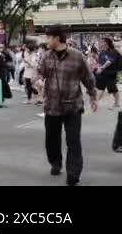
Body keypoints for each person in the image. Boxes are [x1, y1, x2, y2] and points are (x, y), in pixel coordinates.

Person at [37, 25, 98, 187]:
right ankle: (55, 163)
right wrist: (37, 82)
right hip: (51, 106)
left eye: (48, 37)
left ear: (57, 38)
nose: (46, 40)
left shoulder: (77, 56)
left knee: (73, 141)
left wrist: (93, 97)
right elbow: (39, 74)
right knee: (51, 139)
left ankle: (73, 174)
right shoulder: (46, 56)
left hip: (73, 106)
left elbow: (88, 78)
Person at [95, 37, 121, 110]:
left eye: (102, 42)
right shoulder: (101, 53)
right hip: (103, 73)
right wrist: (98, 68)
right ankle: (96, 102)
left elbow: (109, 62)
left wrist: (101, 68)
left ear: (107, 43)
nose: (100, 43)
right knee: (100, 88)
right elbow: (100, 63)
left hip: (111, 73)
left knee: (112, 89)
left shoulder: (113, 51)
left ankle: (117, 103)